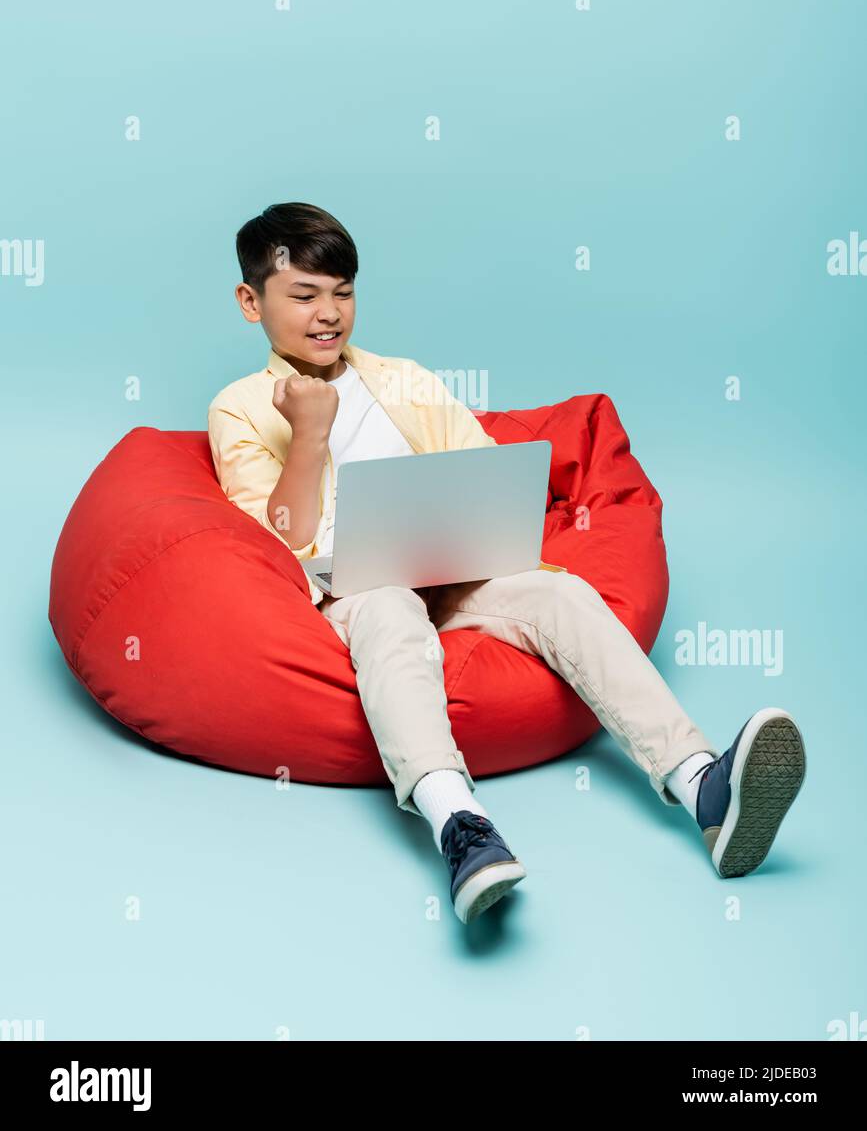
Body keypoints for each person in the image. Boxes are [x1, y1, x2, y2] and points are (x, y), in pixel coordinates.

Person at [208, 202, 807, 924]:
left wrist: (484, 532)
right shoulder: (238, 407)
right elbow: (279, 537)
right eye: (303, 295)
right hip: (353, 586)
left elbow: (481, 472)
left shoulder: (402, 379)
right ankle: (460, 826)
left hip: (451, 563)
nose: (328, 312)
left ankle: (701, 785)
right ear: (252, 302)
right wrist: (309, 434)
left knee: (563, 596)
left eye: (342, 291)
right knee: (393, 613)